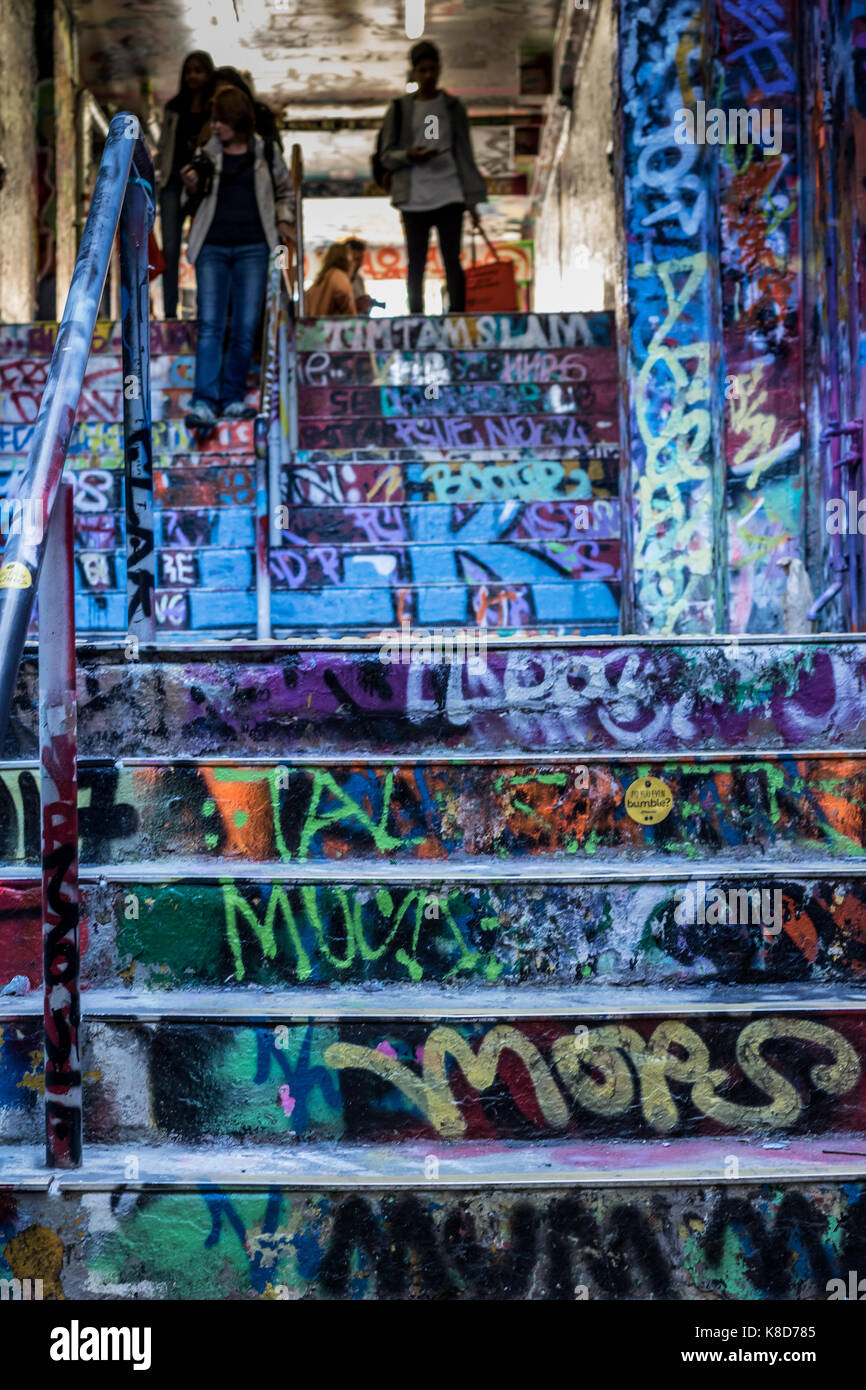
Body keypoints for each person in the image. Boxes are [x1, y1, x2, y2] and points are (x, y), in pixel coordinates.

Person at [180, 86, 296, 429]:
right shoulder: (207, 153)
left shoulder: (267, 153)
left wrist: (285, 219)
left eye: (222, 121)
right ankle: (203, 401)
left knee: (246, 327)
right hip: (212, 247)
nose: (216, 126)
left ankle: (231, 399)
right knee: (211, 325)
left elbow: (284, 191)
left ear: (237, 120)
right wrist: (191, 183)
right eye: (214, 121)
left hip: (255, 248)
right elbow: (196, 196)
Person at [377, 40, 486, 314]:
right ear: (413, 72)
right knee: (417, 262)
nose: (428, 75)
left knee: (452, 258)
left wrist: (472, 201)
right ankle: (416, 317)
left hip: (450, 193)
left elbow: (465, 154)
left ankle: (457, 315)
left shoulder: (452, 107)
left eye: (433, 69)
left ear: (440, 70)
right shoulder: (400, 109)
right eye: (422, 70)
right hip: (414, 198)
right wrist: (410, 156)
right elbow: (386, 155)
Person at [155, 51, 215, 319]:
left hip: (202, 189)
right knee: (170, 249)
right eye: (189, 70)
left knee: (201, 246)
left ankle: (205, 310)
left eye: (199, 70)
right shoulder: (173, 108)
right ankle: (169, 312)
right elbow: (164, 146)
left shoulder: (214, 109)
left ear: (208, 74)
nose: (193, 76)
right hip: (172, 185)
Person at [305, 244, 357, 316]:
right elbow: (344, 295)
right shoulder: (339, 276)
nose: (353, 262)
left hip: (316, 325)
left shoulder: (321, 278)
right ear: (345, 258)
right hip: (333, 325)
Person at [343, 238, 372, 315]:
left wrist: (367, 305)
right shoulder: (337, 278)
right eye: (355, 259)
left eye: (361, 259)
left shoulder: (359, 279)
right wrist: (355, 305)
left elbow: (362, 309)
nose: (358, 264)